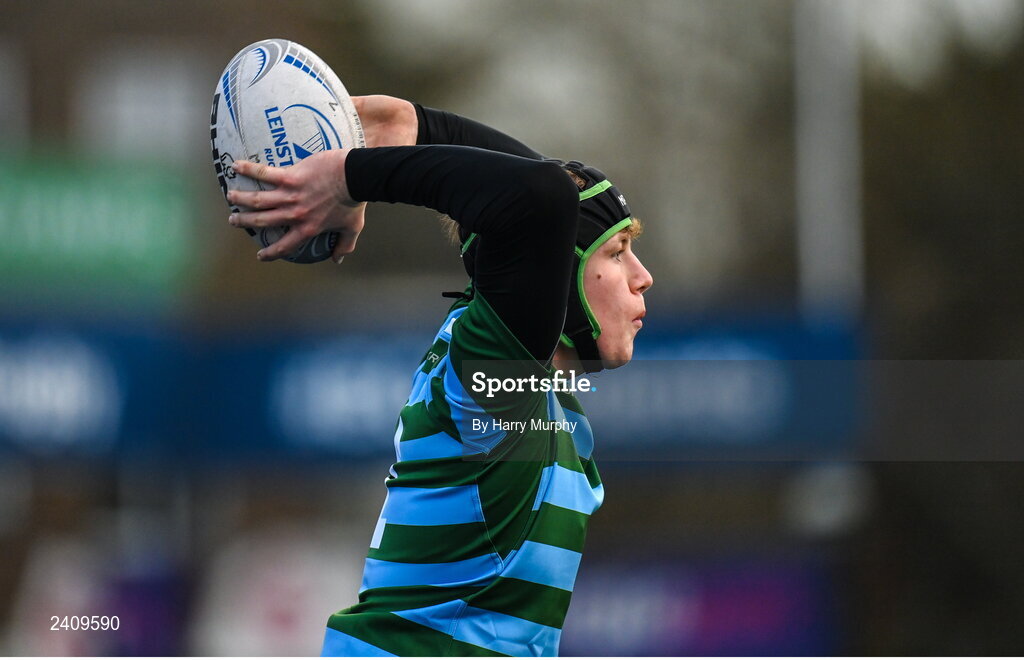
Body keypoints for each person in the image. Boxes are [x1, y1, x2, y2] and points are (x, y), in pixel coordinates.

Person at [226, 95, 653, 657]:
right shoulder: (495, 374)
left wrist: (417, 128)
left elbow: (547, 199)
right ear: (564, 271)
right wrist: (351, 179)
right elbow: (541, 197)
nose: (642, 277)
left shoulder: (527, 384)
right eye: (618, 252)